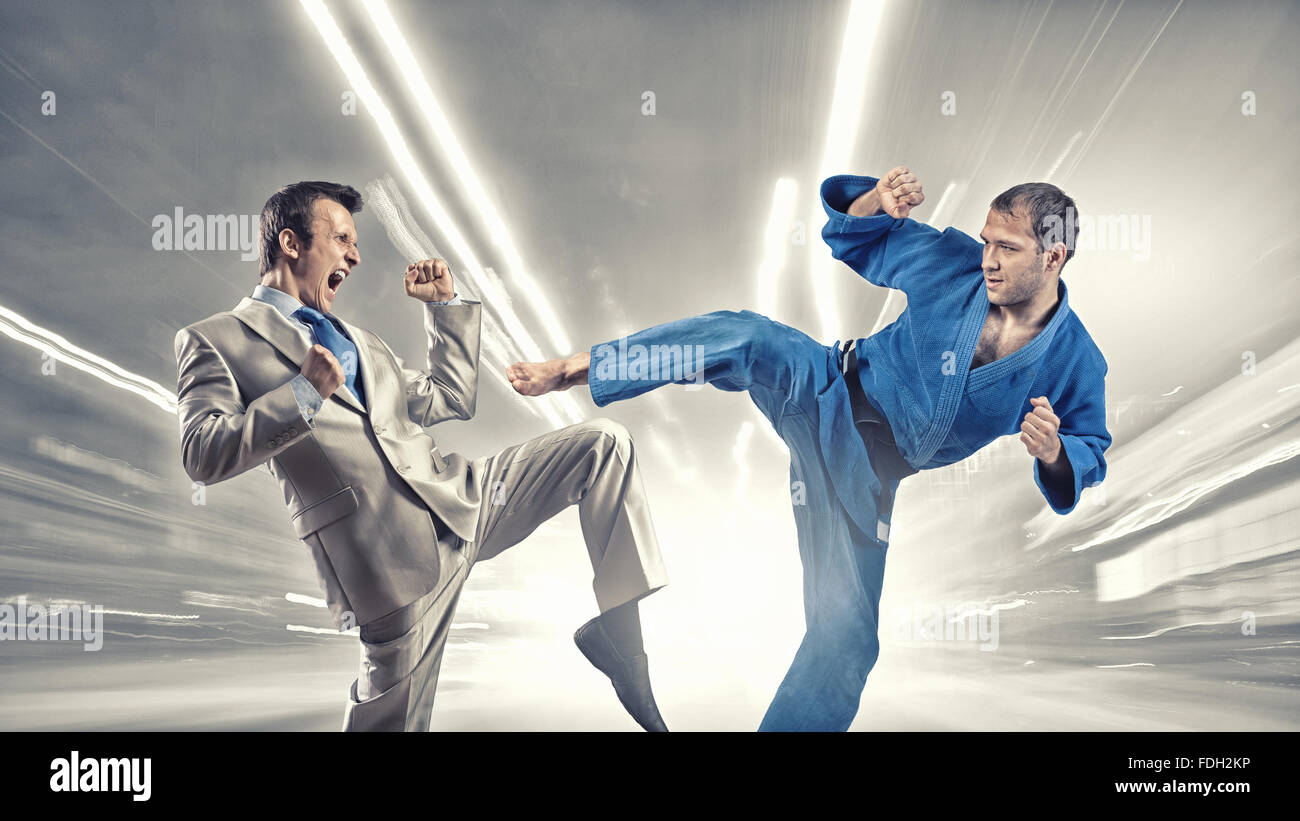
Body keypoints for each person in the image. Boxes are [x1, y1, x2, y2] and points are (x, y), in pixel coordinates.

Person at [506, 165, 1111, 731]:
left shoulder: (1074, 361)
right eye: (986, 241)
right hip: (825, 387)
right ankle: (576, 369)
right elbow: (858, 238)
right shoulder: (952, 265)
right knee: (748, 335)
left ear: (1054, 255)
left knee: (846, 641)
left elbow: (1090, 447)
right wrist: (876, 201)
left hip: (864, 480)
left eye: (1007, 248)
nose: (988, 260)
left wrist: (1056, 454)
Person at [174, 181, 671, 731]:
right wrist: (303, 394)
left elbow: (448, 397)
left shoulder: (361, 341)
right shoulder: (214, 340)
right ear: (291, 244)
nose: (355, 256)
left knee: (603, 445)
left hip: (468, 500)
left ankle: (621, 639)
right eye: (342, 238)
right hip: (387, 567)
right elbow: (203, 452)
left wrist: (445, 311)